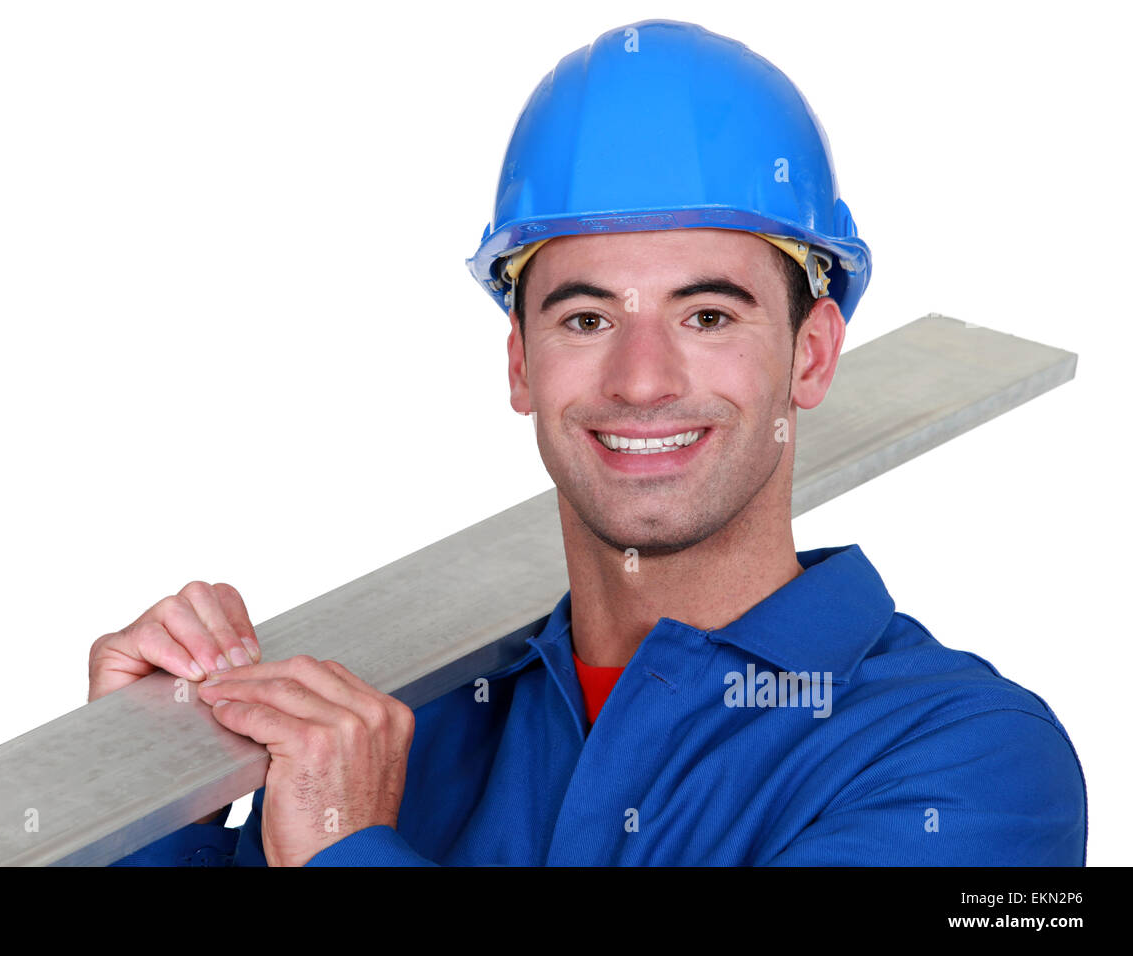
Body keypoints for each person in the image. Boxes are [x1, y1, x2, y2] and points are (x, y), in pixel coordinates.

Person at [98, 19, 1086, 866]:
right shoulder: (413, 727)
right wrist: (143, 784)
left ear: (812, 355)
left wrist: (350, 844)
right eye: (584, 319)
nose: (641, 378)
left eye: (706, 316)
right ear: (521, 365)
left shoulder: (970, 760)